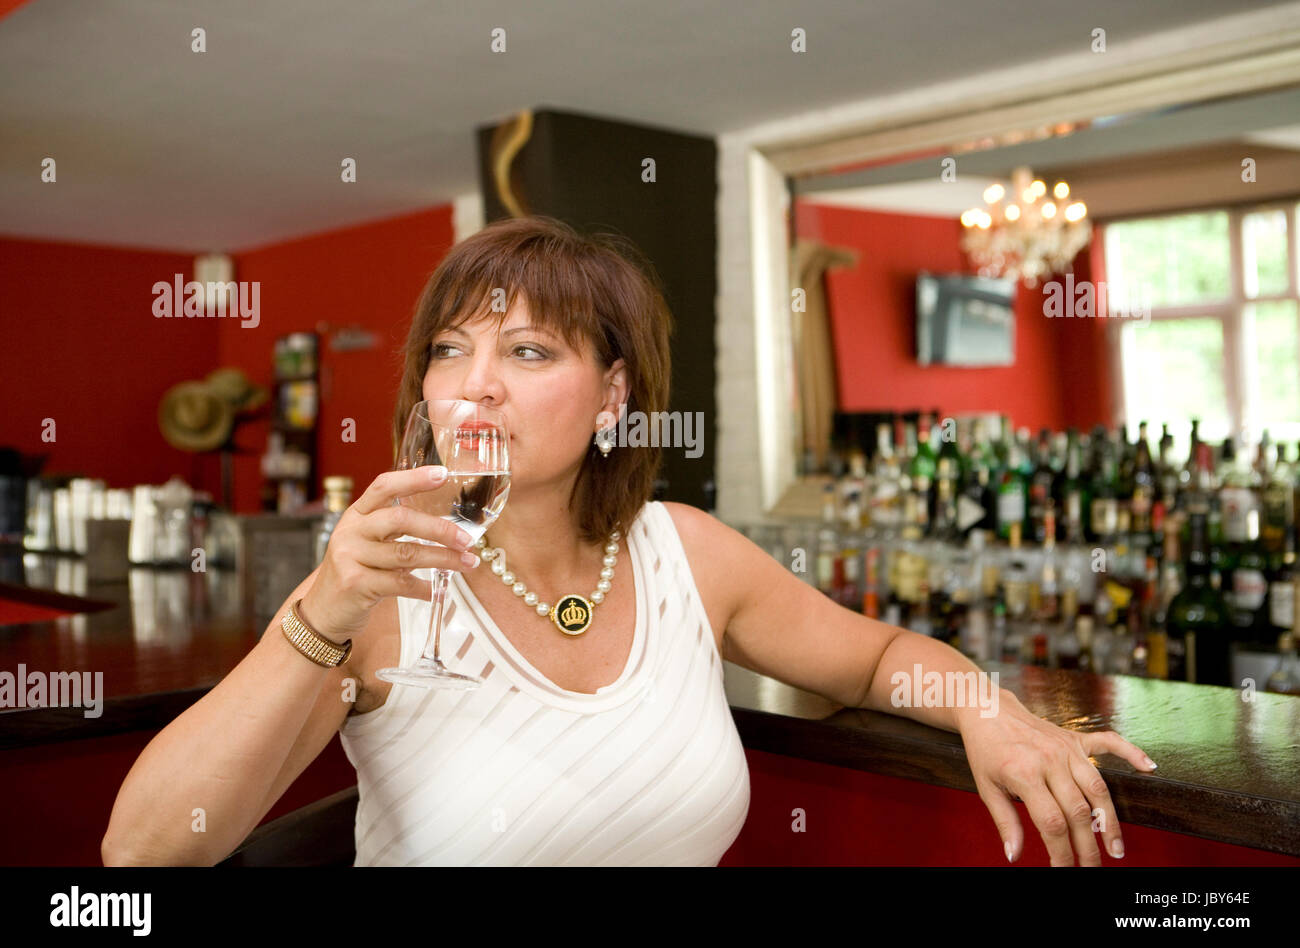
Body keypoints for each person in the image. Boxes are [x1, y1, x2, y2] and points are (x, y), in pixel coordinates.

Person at [103, 215, 1156, 867]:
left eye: (525, 349)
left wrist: (990, 709)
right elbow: (144, 847)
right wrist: (322, 607)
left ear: (613, 395)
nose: (474, 382)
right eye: (450, 349)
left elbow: (877, 656)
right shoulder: (380, 595)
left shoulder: (683, 552)